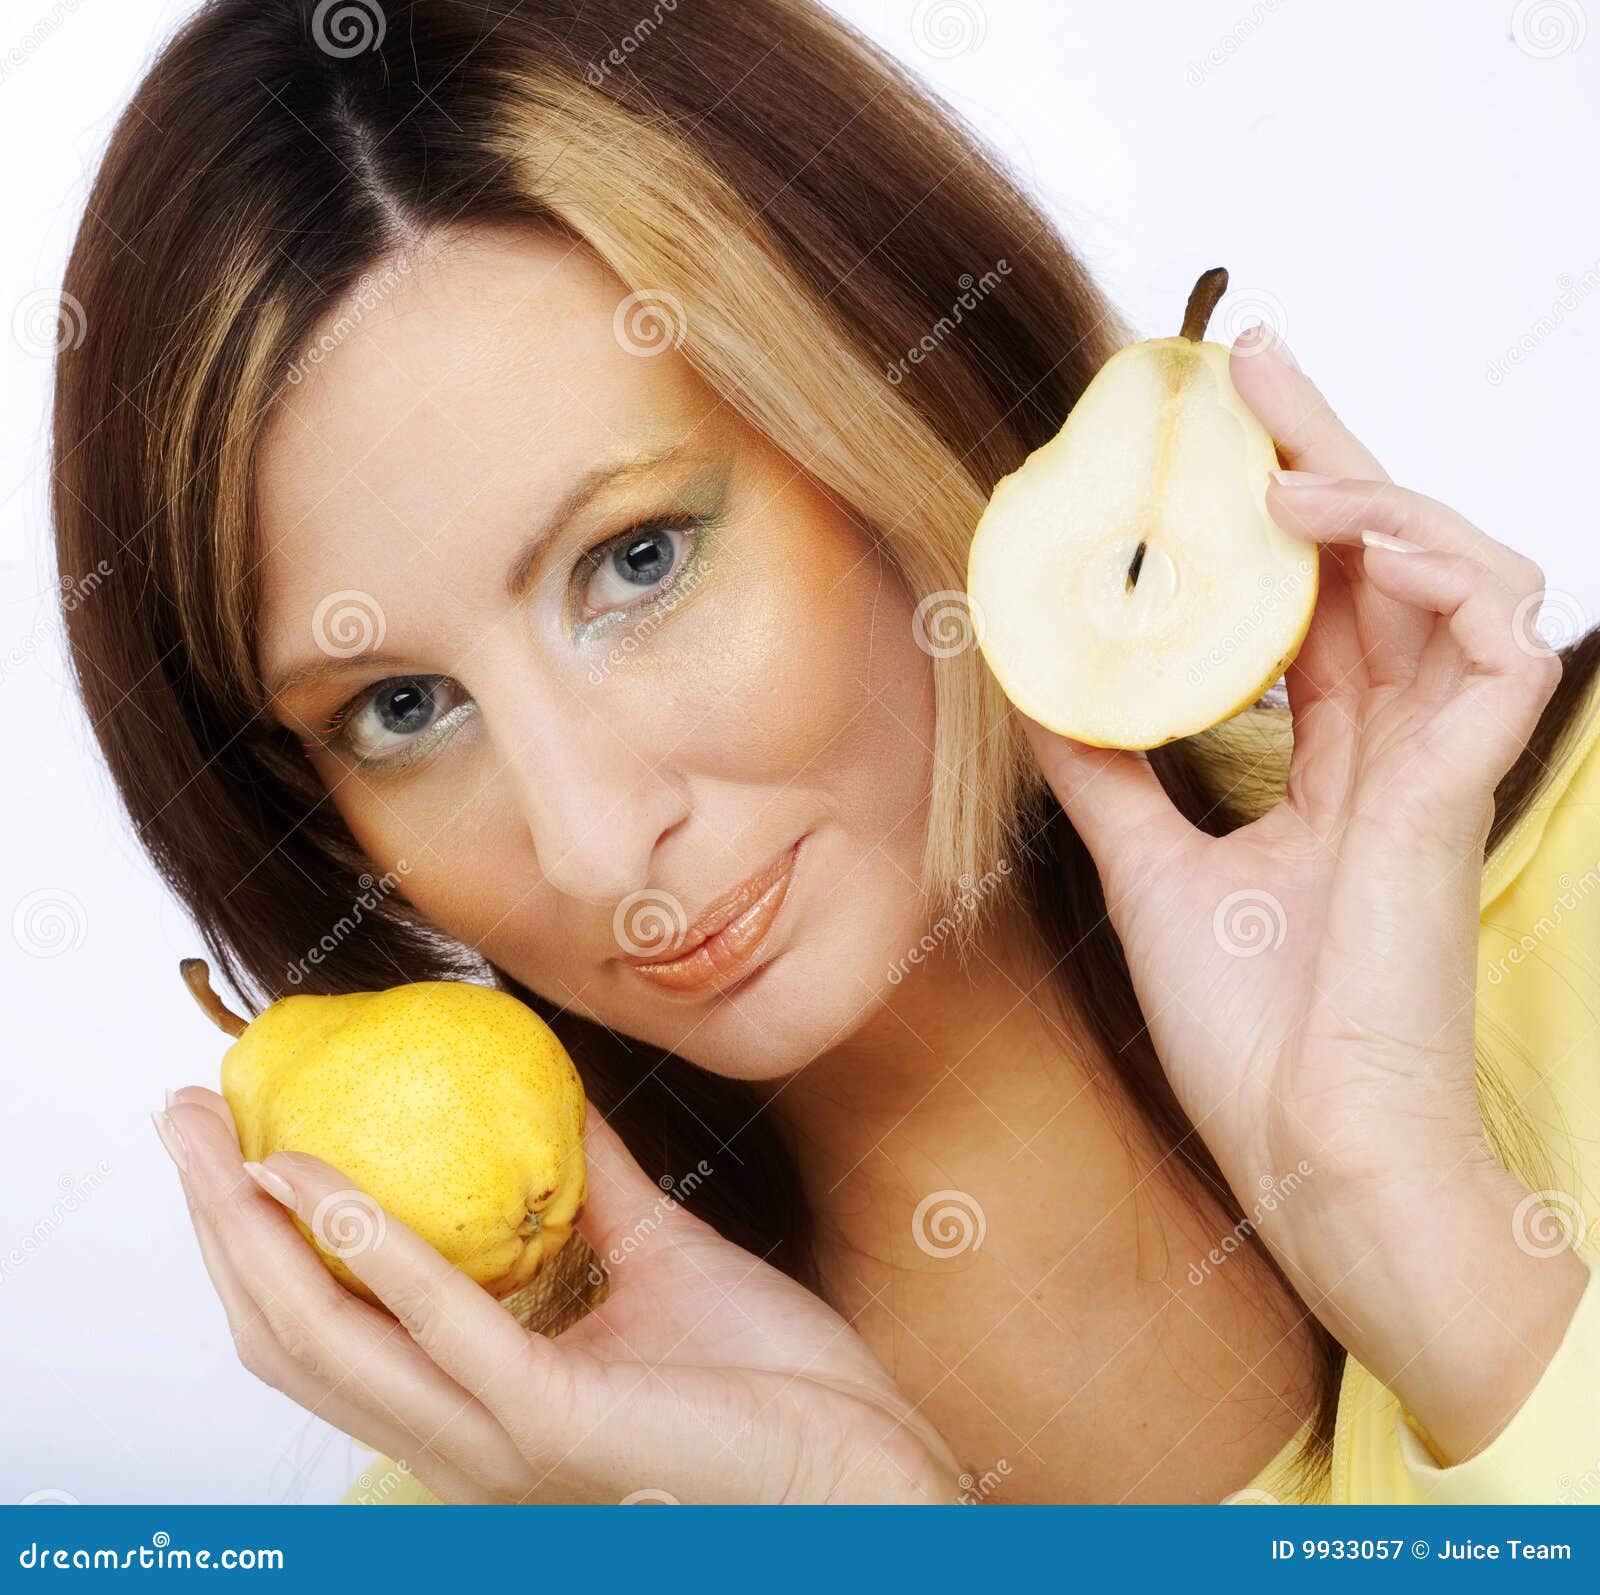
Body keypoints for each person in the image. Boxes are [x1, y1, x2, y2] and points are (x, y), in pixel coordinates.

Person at [55, 0, 1600, 1504]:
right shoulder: (506, 1503)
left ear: (906, 392)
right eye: (399, 710)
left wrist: (1423, 1235)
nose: (593, 844)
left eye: (639, 559)